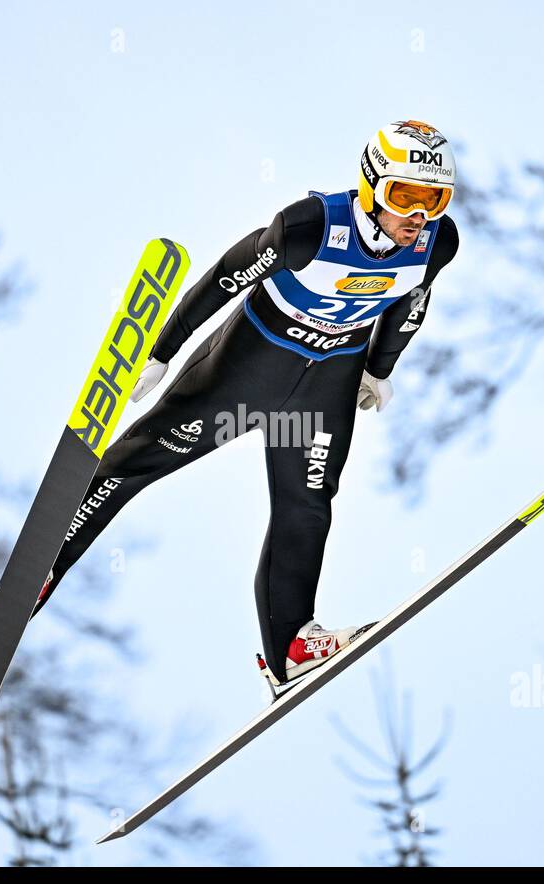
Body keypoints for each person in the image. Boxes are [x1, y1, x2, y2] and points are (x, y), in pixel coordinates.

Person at [33, 120, 460, 688]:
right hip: (248, 370)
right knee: (141, 459)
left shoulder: (438, 242)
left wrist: (379, 371)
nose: (418, 216)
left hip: (323, 388)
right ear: (370, 185)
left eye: (433, 200)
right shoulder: (308, 229)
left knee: (307, 506)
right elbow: (223, 279)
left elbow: (410, 304)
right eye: (404, 196)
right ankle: (47, 558)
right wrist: (161, 352)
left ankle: (292, 646)